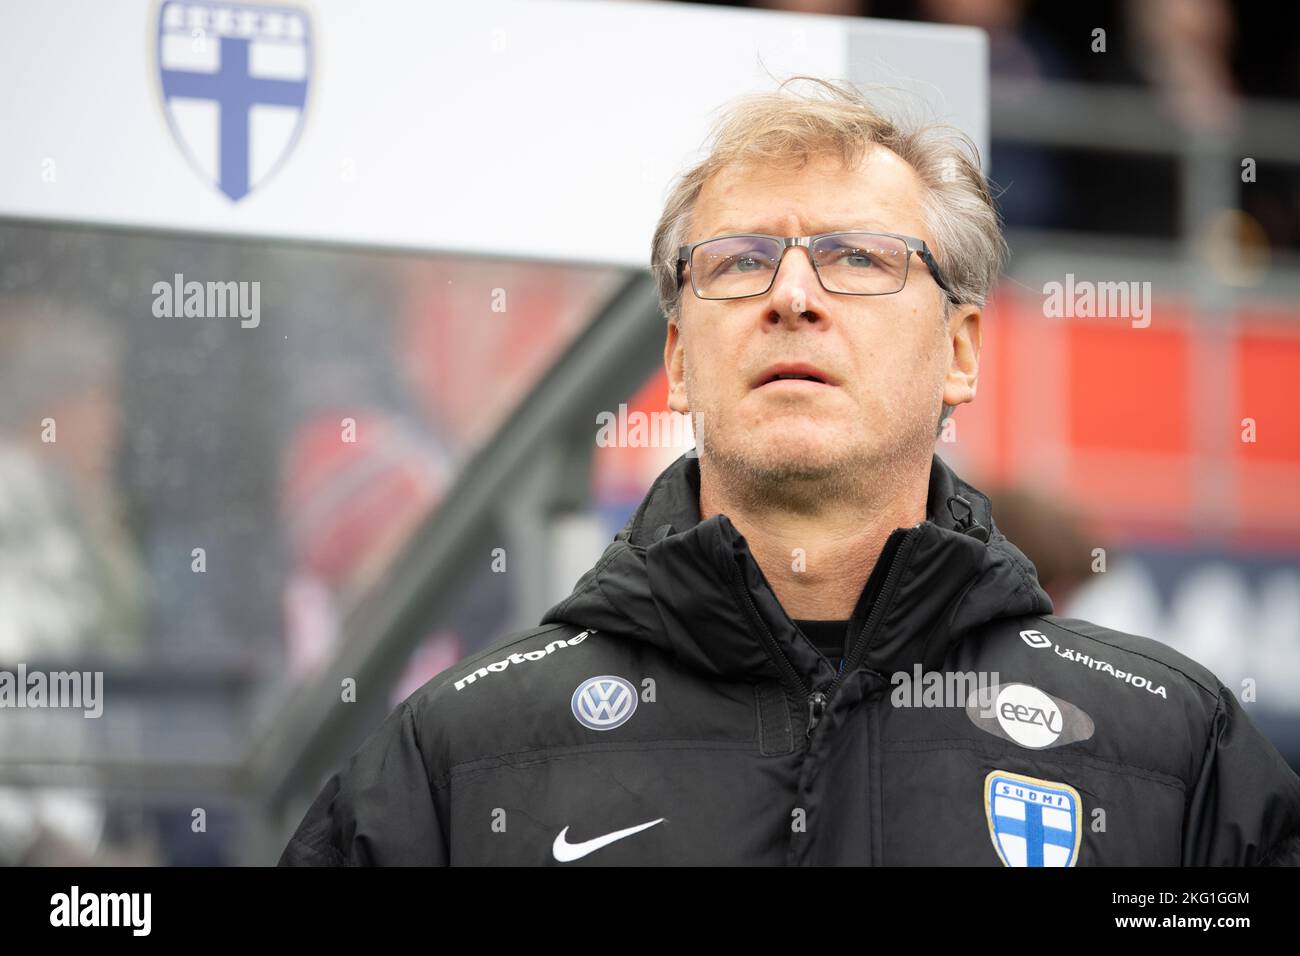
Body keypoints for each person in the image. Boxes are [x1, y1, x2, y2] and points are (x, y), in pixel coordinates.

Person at [279, 77, 1300, 866]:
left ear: (960, 350)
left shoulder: (1173, 753)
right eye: (737, 261)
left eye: (858, 258)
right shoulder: (461, 758)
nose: (794, 296)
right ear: (677, 358)